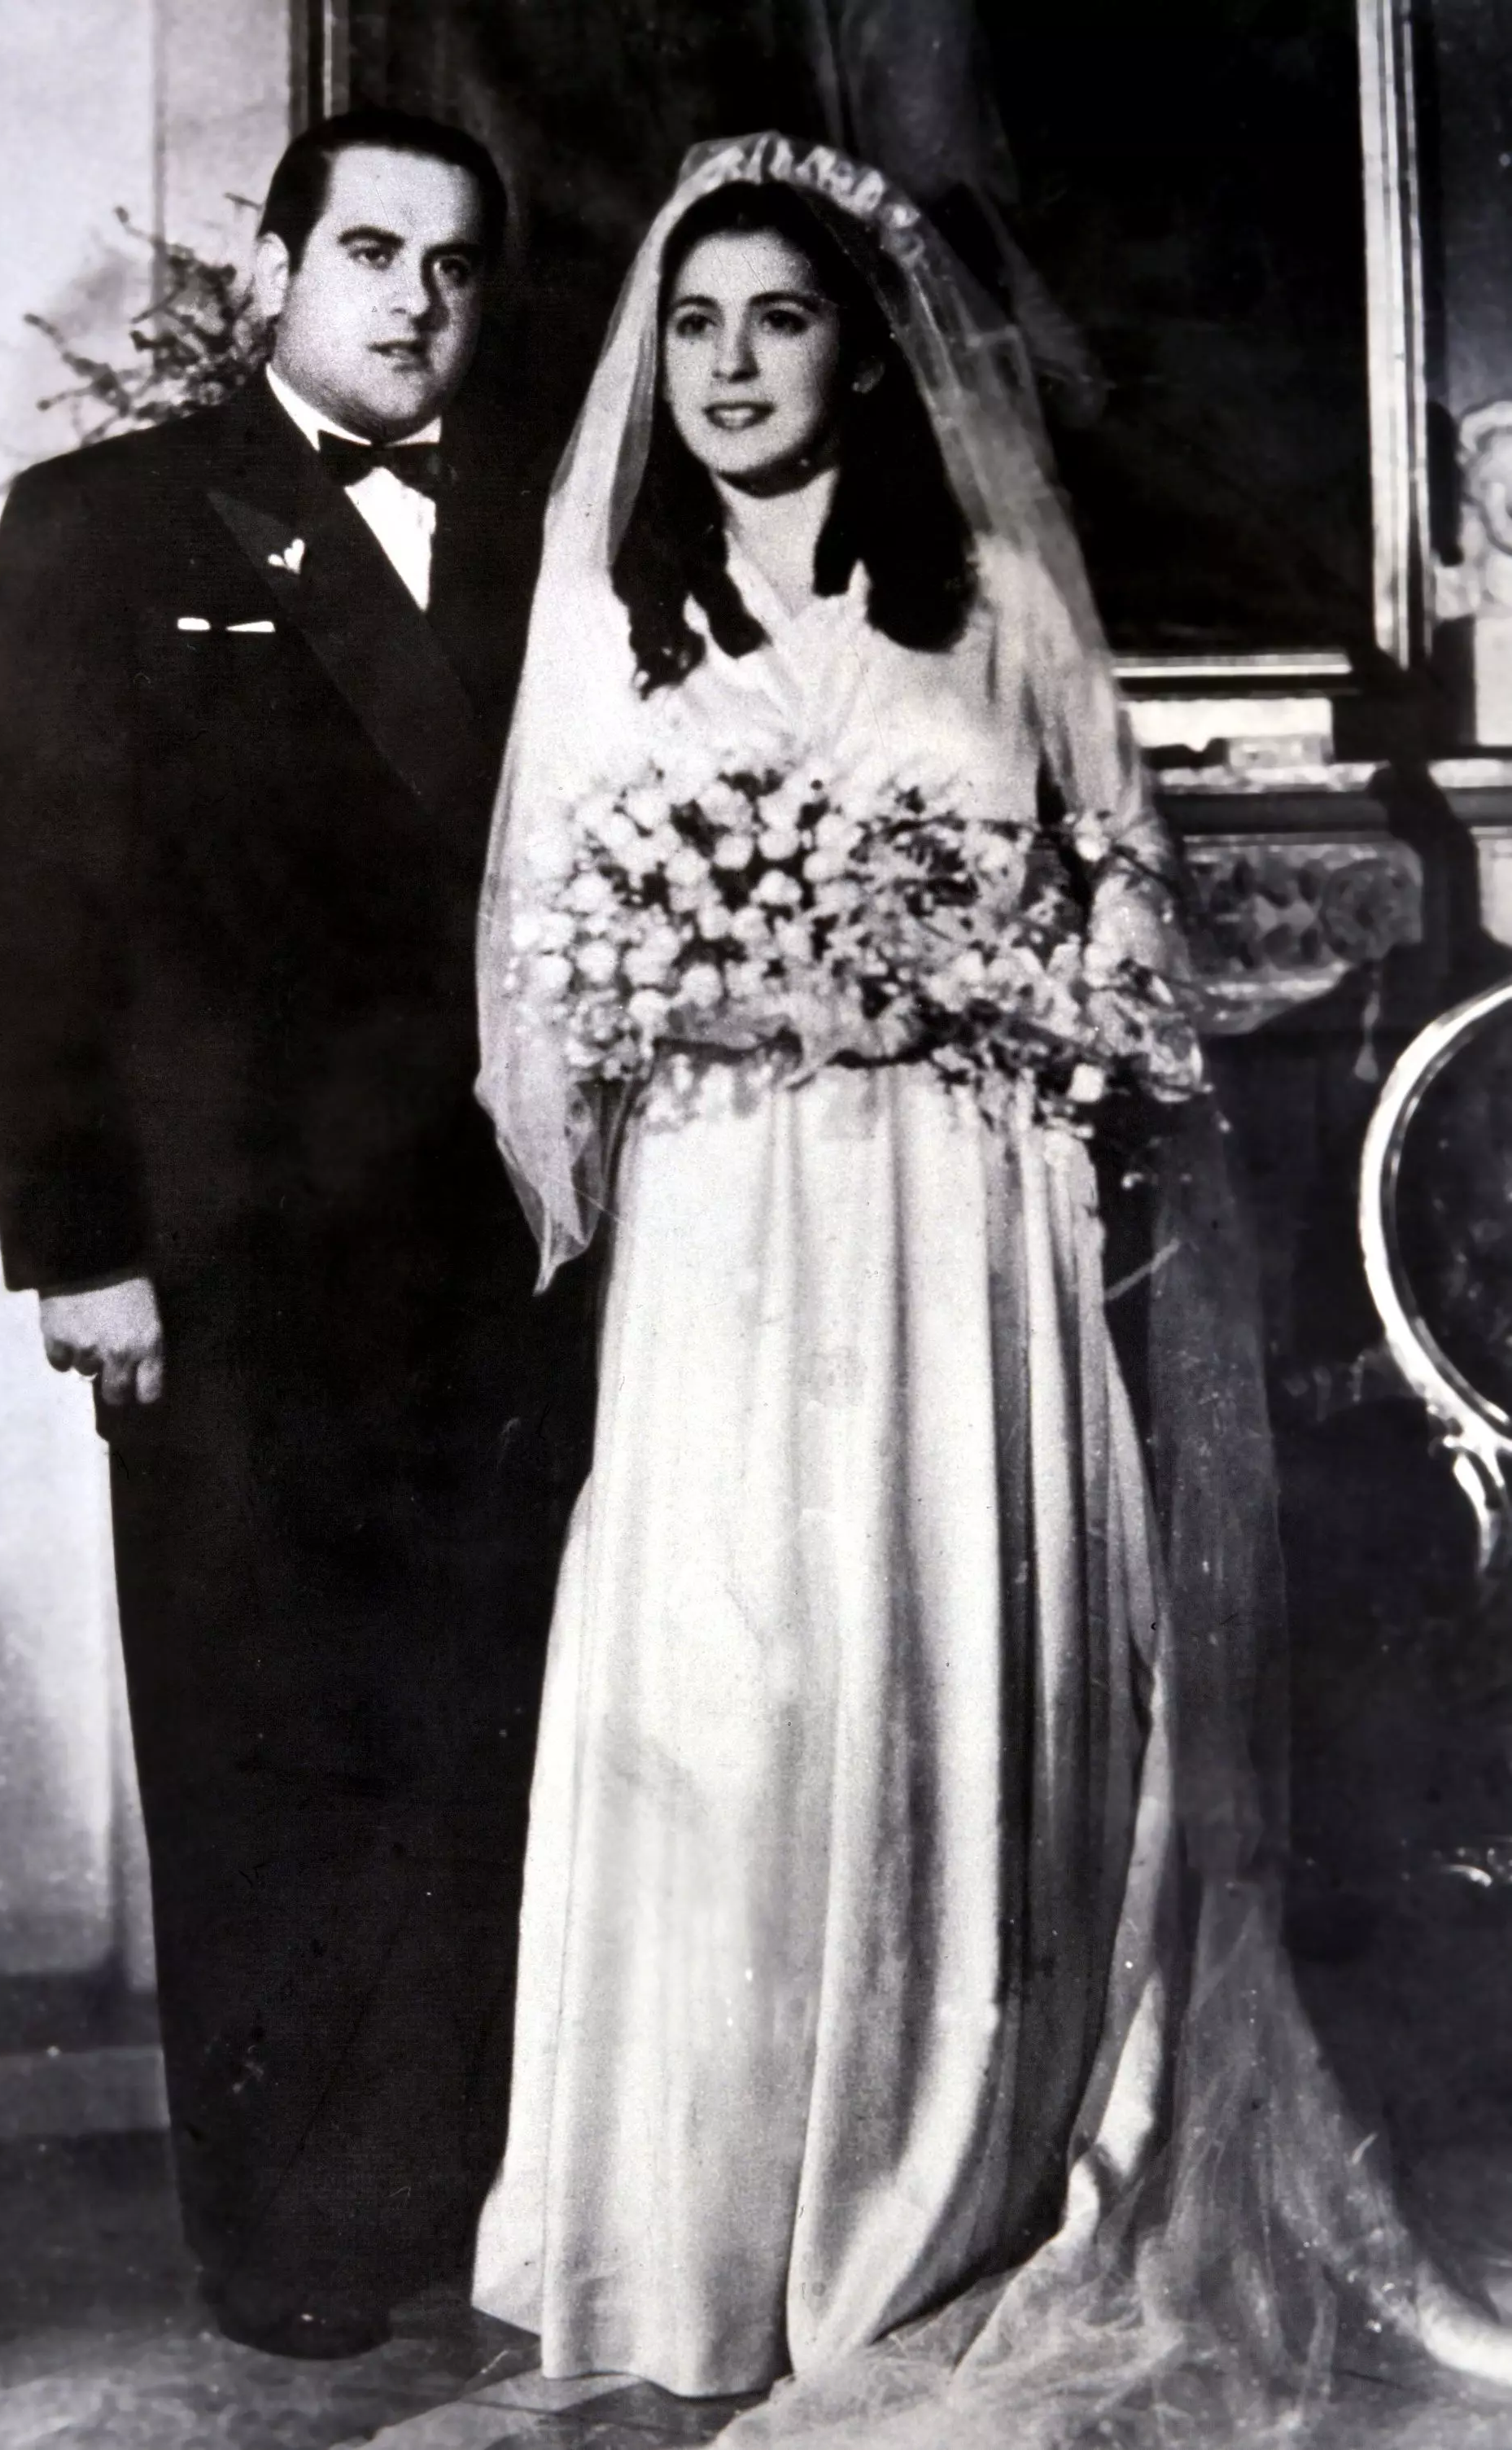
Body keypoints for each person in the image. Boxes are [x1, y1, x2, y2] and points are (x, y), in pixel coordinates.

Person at [469, 133, 1512, 2443]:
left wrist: (964, 989)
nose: (732, 364)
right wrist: (722, 988)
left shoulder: (992, 600)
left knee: (941, 1653)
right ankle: (712, 2228)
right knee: (741, 1677)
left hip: (960, 1202)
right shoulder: (607, 605)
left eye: (782, 319)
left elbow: (1124, 919)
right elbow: (546, 974)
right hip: (740, 1216)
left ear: (867, 349)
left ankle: (942, 2194)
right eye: (698, 325)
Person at [0, 107, 588, 2360]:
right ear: (282, 266)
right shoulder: (112, 523)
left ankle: (458, 2210)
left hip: (490, 1258)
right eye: (374, 249)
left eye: (458, 266)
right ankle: (288, 2244)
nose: (417, 297)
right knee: (256, 1735)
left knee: (469, 1728)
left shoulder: (552, 541)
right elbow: (14, 908)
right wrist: (78, 1243)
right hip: (224, 1264)